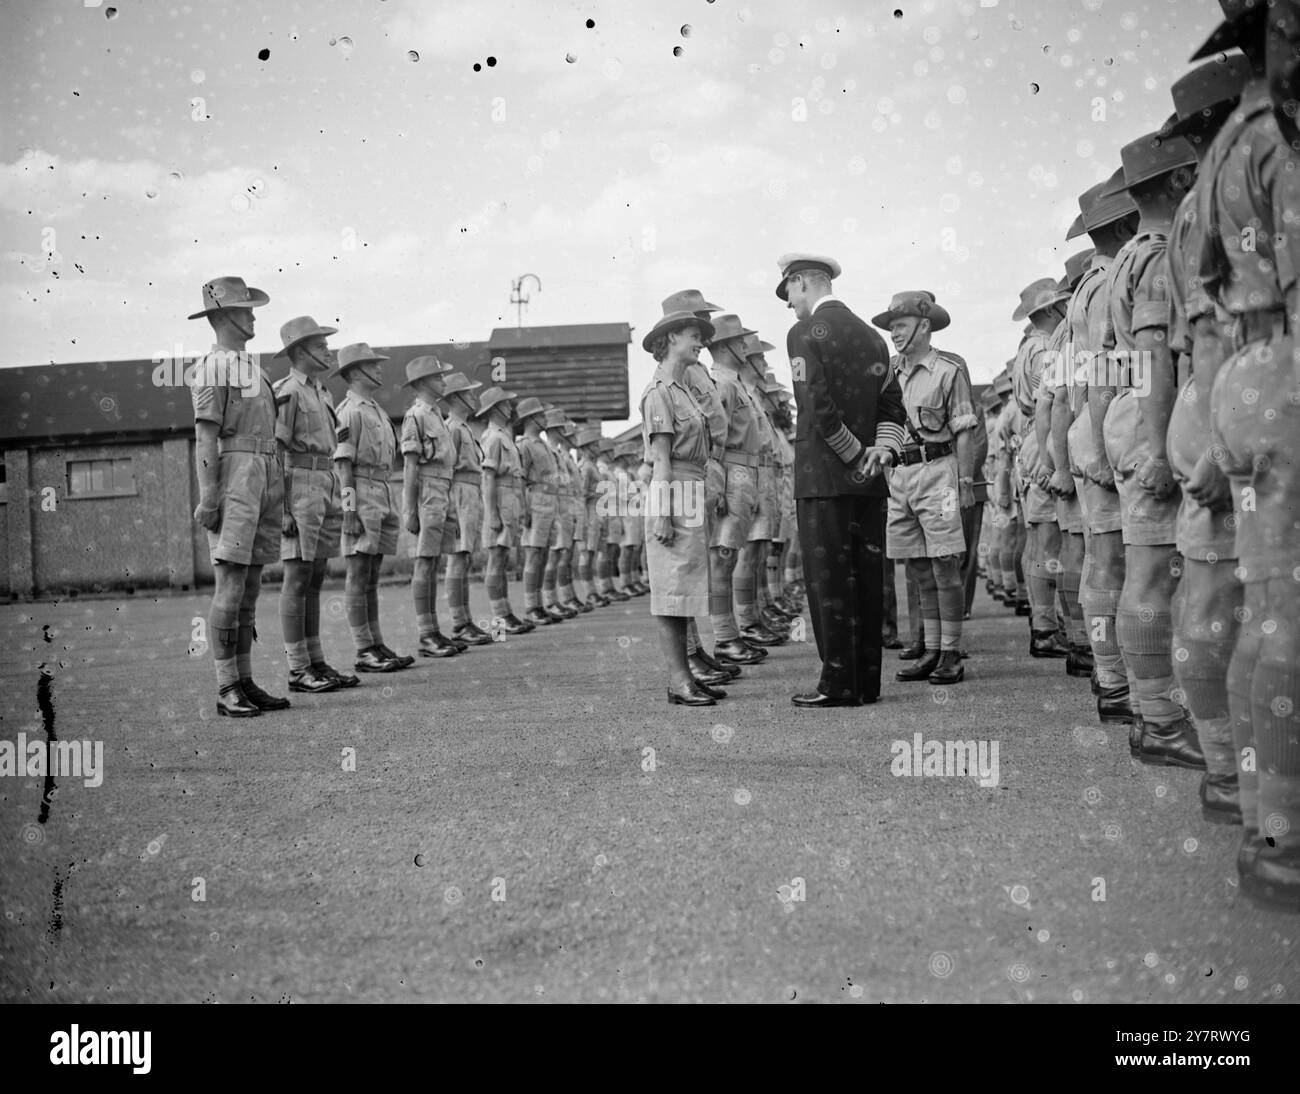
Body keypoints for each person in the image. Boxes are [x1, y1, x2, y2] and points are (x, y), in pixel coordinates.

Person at [1190, 1, 1300, 910]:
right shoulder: (1277, 137)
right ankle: (1286, 837)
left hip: (1242, 375)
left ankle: (1265, 819)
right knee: (1288, 614)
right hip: (1285, 364)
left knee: (1265, 609)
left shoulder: (1228, 143)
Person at [1162, 54, 1253, 824]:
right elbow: (1206, 338)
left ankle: (1232, 771)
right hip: (1237, 401)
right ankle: (1236, 775)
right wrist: (1220, 448)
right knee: (1225, 597)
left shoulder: (1199, 202)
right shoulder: (1228, 191)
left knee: (1215, 592)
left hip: (1215, 403)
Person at [1097, 127, 1203, 769]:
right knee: (1152, 574)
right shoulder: (1159, 255)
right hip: (1150, 414)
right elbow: (1150, 360)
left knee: (1143, 571)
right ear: (1177, 183)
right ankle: (1159, 722)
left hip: (1127, 415)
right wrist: (1163, 447)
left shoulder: (1122, 262)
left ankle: (1149, 709)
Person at [779, 253, 906, 707]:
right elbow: (893, 406)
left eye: (789, 292)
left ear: (801, 282)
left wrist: (853, 455)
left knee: (830, 582)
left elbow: (814, 404)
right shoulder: (874, 338)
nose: (790, 303)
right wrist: (880, 452)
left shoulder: (802, 334)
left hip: (825, 478)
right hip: (870, 480)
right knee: (867, 580)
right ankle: (866, 683)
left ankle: (837, 682)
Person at [1059, 170, 1141, 728]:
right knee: (1131, 562)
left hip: (1089, 424)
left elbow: (1066, 388)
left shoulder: (1081, 293)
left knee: (1100, 560)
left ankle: (1109, 673)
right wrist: (1104, 439)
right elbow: (1105, 371)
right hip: (1114, 415)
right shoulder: (1117, 278)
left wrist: (1079, 445)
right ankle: (1129, 682)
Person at [188, 276, 289, 717]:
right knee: (230, 583)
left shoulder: (254, 369)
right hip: (236, 475)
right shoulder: (211, 368)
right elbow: (205, 439)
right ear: (225, 316)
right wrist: (209, 497)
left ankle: (245, 679)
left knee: (250, 584)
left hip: (264, 472)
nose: (252, 316)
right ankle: (226, 685)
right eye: (246, 309)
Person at [874, 290, 979, 685]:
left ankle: (951, 651)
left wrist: (965, 481)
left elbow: (965, 430)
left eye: (899, 326)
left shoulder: (948, 370)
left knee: (945, 564)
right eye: (891, 327)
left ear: (924, 325)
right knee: (918, 567)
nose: (894, 334)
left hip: (939, 472)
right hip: (900, 476)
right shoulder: (888, 371)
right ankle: (932, 648)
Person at [639, 309, 720, 706]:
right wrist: (663, 515)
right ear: (671, 339)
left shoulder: (683, 389)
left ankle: (686, 674)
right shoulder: (659, 393)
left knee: (683, 588)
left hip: (691, 488)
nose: (700, 342)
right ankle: (677, 681)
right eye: (693, 335)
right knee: (671, 592)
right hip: (674, 491)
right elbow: (661, 462)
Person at [273, 315, 356, 694]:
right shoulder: (288, 391)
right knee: (297, 577)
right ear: (300, 350)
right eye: (321, 345)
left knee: (316, 577)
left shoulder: (321, 392)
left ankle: (315, 661)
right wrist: (285, 508)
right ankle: (297, 669)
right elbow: (277, 450)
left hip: (324, 482)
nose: (328, 350)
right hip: (299, 484)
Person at [333, 342, 413, 672]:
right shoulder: (349, 411)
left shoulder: (375, 410)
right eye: (372, 364)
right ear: (354, 373)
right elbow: (343, 467)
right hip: (361, 492)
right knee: (358, 573)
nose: (379, 369)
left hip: (380, 490)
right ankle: (363, 649)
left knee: (373, 573)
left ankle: (376, 643)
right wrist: (349, 512)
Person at [1010, 278, 1073, 661]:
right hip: (1044, 437)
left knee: (1038, 538)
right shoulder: (1046, 349)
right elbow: (1052, 402)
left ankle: (1043, 622)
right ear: (1051, 310)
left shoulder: (1026, 348)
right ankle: (1047, 628)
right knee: (1050, 540)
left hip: (1031, 438)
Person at [702, 313, 768, 670]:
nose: (745, 346)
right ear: (725, 345)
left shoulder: (734, 382)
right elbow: (714, 439)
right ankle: (725, 637)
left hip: (746, 470)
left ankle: (731, 634)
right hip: (730, 470)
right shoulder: (721, 384)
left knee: (728, 555)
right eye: (740, 340)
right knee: (722, 557)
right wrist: (719, 487)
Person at [399, 355, 463, 658]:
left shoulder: (436, 414)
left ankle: (434, 630)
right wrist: (409, 510)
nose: (443, 382)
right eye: (438, 378)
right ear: (423, 382)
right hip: (426, 492)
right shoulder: (416, 416)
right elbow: (410, 466)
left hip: (442, 489)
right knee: (424, 562)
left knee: (434, 561)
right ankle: (426, 634)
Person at [437, 372, 493, 647]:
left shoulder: (464, 427)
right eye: (468, 393)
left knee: (465, 557)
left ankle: (466, 618)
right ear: (456, 398)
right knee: (458, 557)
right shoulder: (453, 429)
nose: (473, 398)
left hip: (471, 491)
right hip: (458, 492)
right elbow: (446, 469)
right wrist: (450, 509)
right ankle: (459, 622)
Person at [474, 384, 533, 634]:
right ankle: (499, 622)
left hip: (509, 499)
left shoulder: (503, 436)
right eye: (506, 404)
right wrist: (493, 514)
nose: (511, 407)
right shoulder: (493, 438)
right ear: (496, 408)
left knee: (503, 558)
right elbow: (488, 478)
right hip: (499, 501)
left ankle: (506, 613)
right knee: (496, 560)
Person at [515, 396, 560, 626]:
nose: (545, 419)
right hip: (535, 501)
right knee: (533, 554)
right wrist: (525, 509)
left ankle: (539, 603)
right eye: (541, 415)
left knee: (542, 555)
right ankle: (531, 606)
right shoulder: (524, 445)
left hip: (548, 502)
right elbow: (521, 479)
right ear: (531, 418)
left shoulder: (542, 444)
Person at [541, 406, 578, 621]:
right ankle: (549, 600)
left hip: (564, 506)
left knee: (562, 554)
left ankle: (556, 599)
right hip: (553, 505)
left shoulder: (562, 455)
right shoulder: (550, 451)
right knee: (554, 555)